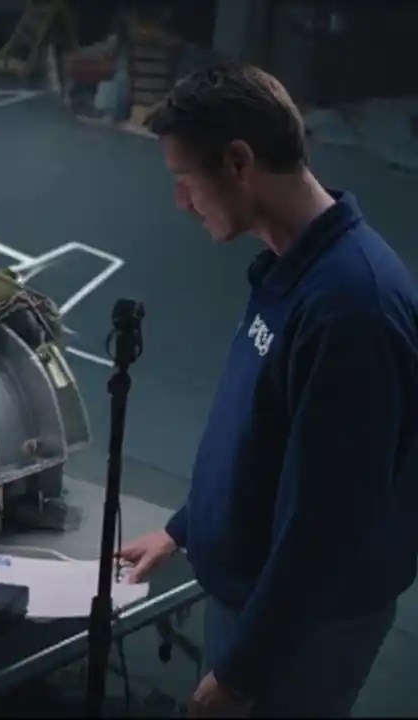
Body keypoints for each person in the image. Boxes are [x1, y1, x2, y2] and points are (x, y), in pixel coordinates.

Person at [118, 63, 418, 717]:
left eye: (183, 178)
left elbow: (327, 528)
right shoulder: (291, 268)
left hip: (302, 632)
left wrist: (242, 671)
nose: (180, 200)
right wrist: (185, 529)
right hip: (252, 601)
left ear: (238, 161)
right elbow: (262, 438)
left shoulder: (350, 310)